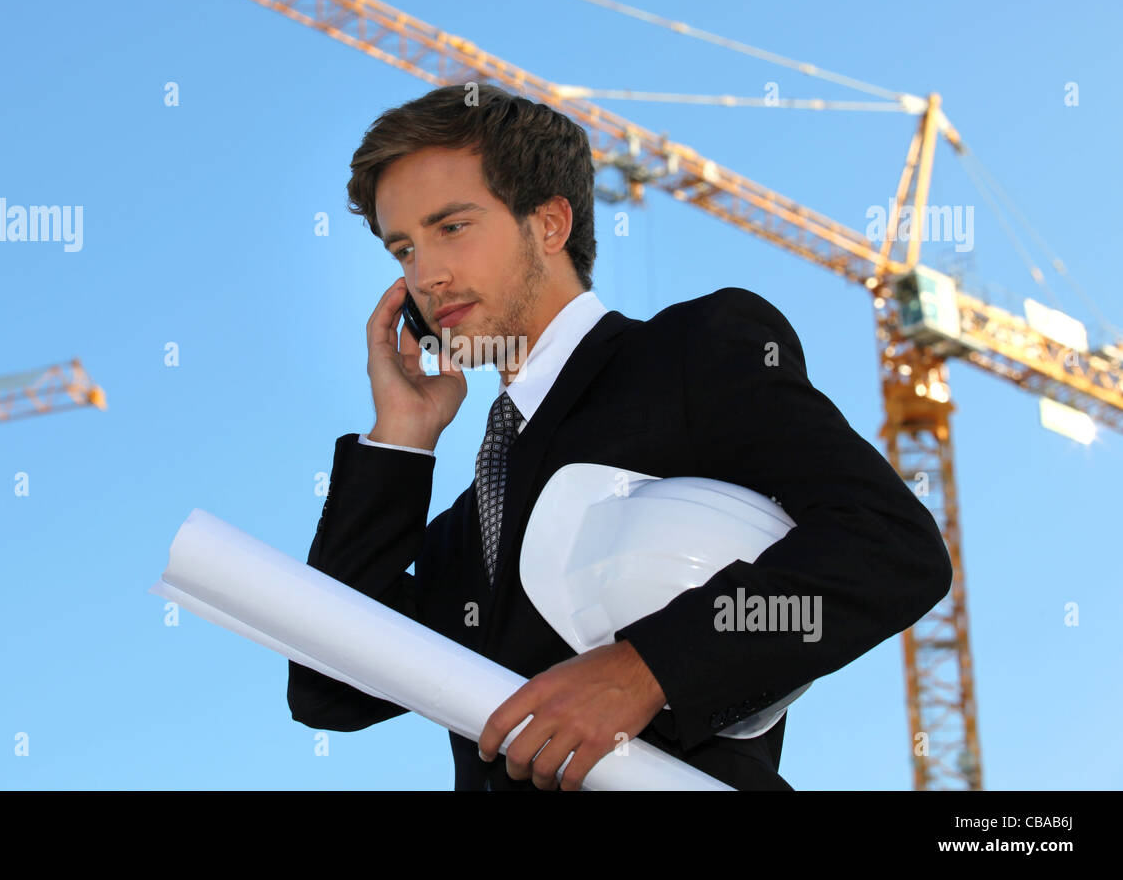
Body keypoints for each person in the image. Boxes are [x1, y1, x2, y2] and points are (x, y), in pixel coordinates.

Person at [287, 82, 953, 790]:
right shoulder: (463, 531)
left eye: (451, 227)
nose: (428, 274)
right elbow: (329, 687)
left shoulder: (692, 353)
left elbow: (889, 545)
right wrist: (401, 438)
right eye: (403, 250)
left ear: (549, 224)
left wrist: (648, 666)